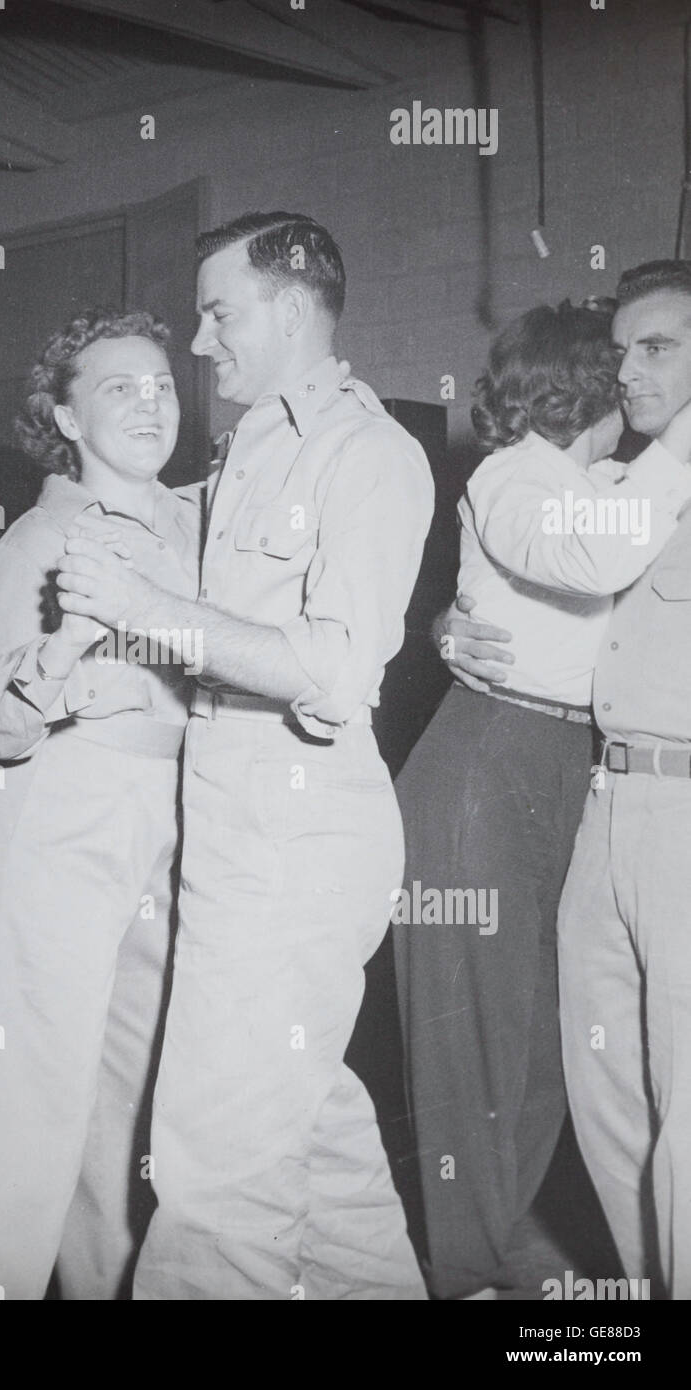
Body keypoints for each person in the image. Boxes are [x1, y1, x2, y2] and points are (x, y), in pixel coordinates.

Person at [56, 211, 434, 1299]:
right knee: (314, 1140)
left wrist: (146, 608)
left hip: (293, 835)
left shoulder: (367, 452)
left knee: (216, 1179)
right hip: (238, 826)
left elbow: (331, 669)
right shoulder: (256, 446)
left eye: (218, 311)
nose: (201, 339)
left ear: (286, 303)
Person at [393, 299, 691, 1300]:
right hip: (490, 757)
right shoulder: (509, 473)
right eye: (627, 363)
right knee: (473, 1038)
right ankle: (465, 1273)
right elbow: (593, 553)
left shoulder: (600, 479)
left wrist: (448, 615)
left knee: (547, 1049)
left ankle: (495, 1252)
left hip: (581, 769)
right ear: (589, 384)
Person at [0, 309, 202, 1300]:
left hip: (170, 828)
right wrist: (61, 660)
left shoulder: (198, 519)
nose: (149, 402)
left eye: (160, 383)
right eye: (117, 387)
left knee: (125, 1131)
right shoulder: (37, 540)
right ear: (64, 417)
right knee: (7, 1129)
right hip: (50, 819)